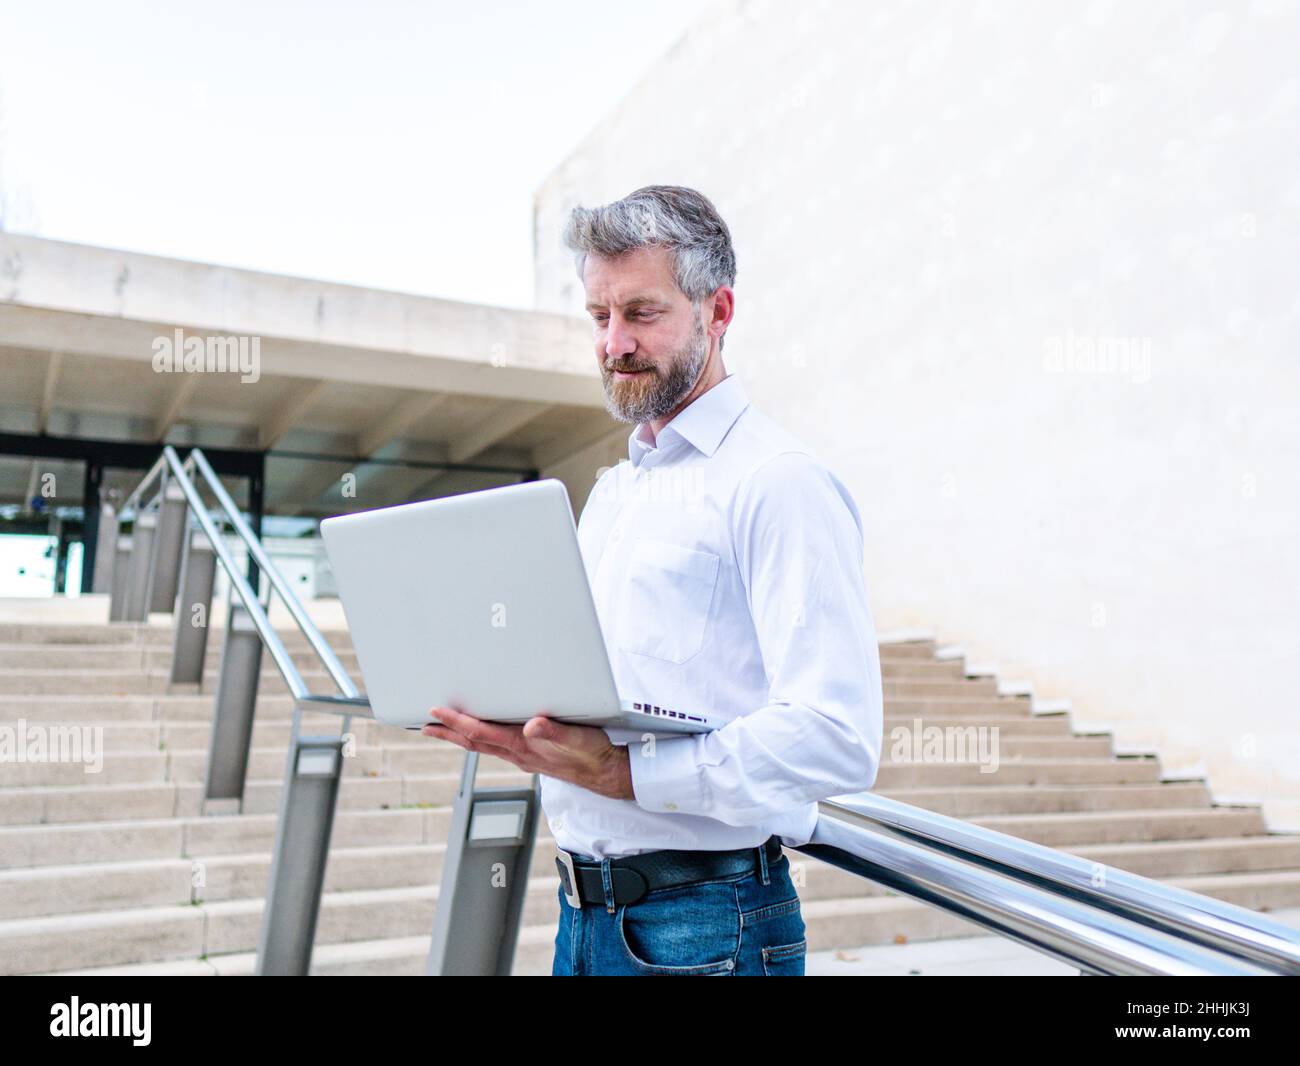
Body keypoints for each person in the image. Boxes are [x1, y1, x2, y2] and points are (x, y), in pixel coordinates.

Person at [424, 185, 883, 975]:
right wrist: (519, 722)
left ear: (720, 310)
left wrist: (623, 773)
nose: (613, 343)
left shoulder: (778, 483)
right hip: (583, 917)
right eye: (599, 316)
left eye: (642, 313)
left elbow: (836, 737)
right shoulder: (613, 492)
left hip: (710, 926)